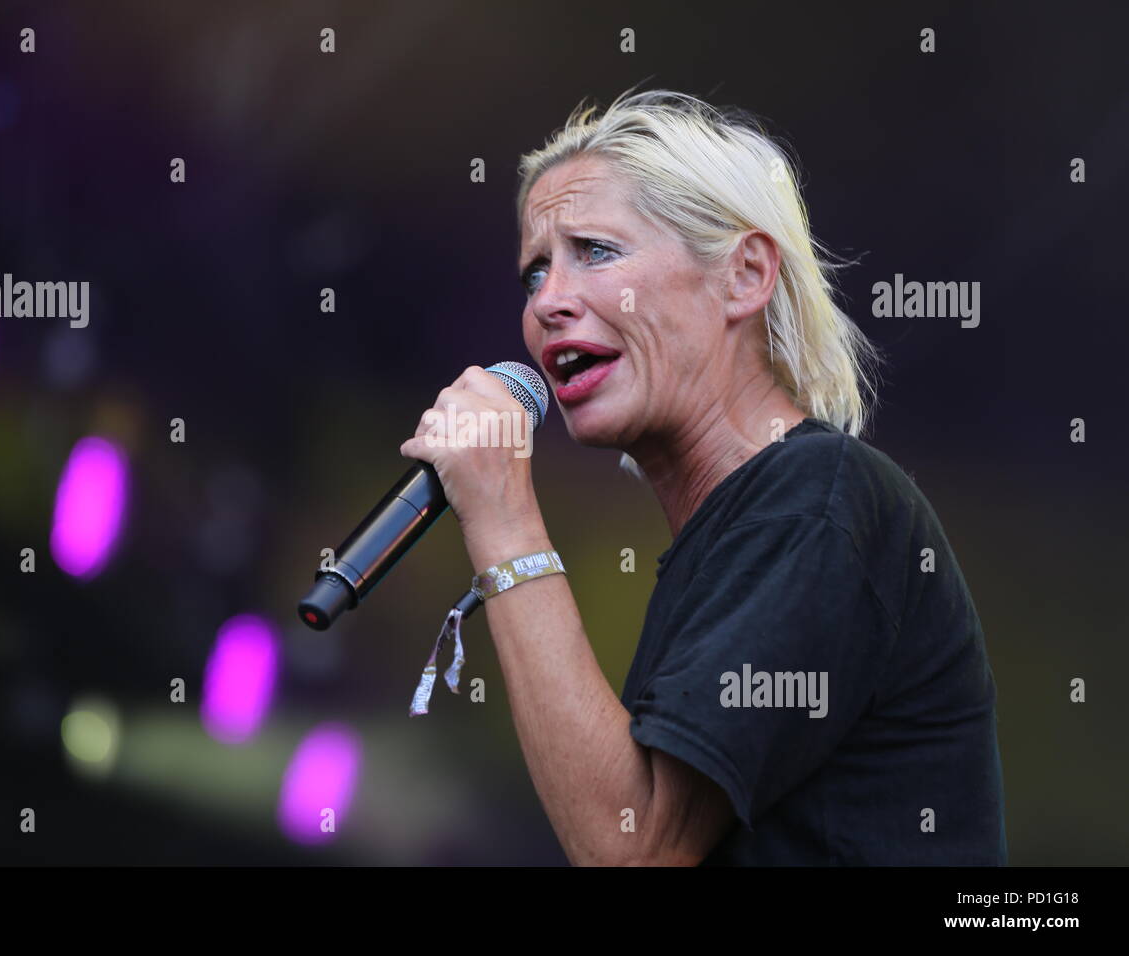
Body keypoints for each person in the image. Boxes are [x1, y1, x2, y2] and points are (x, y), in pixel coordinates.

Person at [398, 89, 1006, 865]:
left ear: (744, 275)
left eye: (596, 250)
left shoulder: (820, 501)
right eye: (534, 273)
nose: (548, 300)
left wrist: (504, 518)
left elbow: (634, 849)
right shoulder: (741, 533)